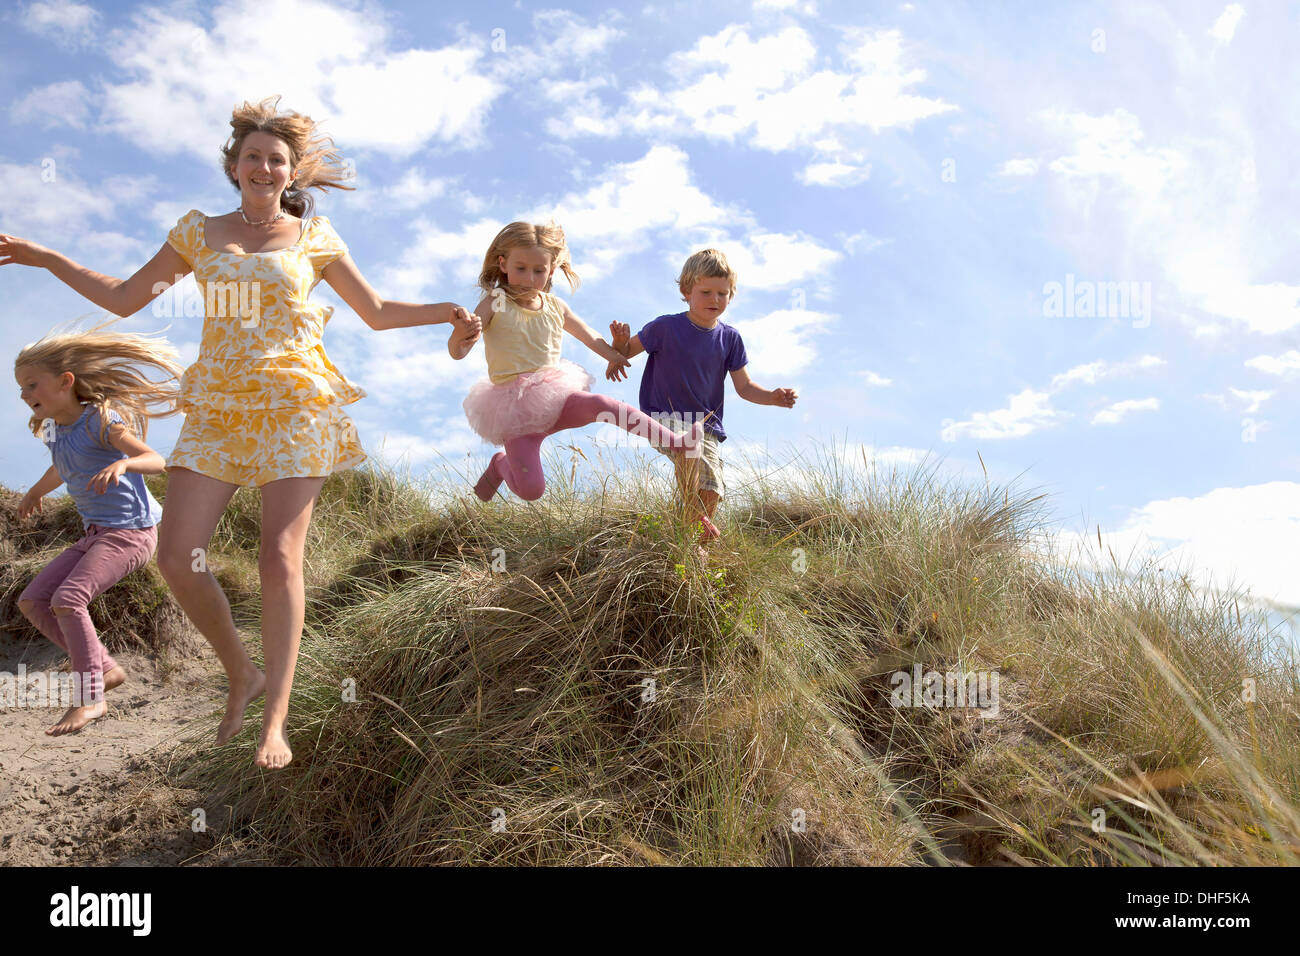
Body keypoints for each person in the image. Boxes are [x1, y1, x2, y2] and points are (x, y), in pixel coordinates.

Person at [0, 96, 476, 769]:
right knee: (176, 556)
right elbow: (124, 296)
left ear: (291, 173)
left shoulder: (316, 237)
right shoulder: (200, 232)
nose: (264, 165)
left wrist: (444, 313)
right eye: (253, 155)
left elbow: (373, 311)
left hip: (295, 402)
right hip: (220, 405)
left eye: (277, 159)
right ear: (234, 164)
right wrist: (47, 257)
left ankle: (273, 721)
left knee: (279, 558)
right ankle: (241, 673)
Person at [451, 221, 702, 502]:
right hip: (515, 412)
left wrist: (615, 355)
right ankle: (499, 465)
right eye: (521, 269)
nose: (530, 278)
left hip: (555, 396)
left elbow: (589, 336)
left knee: (601, 404)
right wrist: (461, 338)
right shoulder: (496, 301)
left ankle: (676, 443)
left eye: (539, 271)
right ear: (503, 264)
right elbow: (460, 349)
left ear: (550, 271)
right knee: (532, 491)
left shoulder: (556, 306)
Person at [14, 324, 183, 736]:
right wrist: (36, 490)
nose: (24, 394)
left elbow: (155, 459)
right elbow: (62, 464)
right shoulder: (55, 429)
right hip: (96, 534)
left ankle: (90, 696)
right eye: (20, 388)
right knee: (34, 600)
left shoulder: (101, 420)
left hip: (131, 531)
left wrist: (124, 463)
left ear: (65, 381)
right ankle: (103, 668)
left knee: (69, 598)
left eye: (32, 384)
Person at [606, 248, 797, 546]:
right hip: (663, 417)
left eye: (723, 293)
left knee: (712, 489)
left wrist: (772, 397)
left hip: (706, 425)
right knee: (687, 449)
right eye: (706, 291)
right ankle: (693, 529)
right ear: (686, 291)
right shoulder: (665, 327)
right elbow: (626, 351)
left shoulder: (730, 339)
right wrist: (618, 344)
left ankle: (691, 545)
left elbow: (744, 387)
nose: (715, 300)